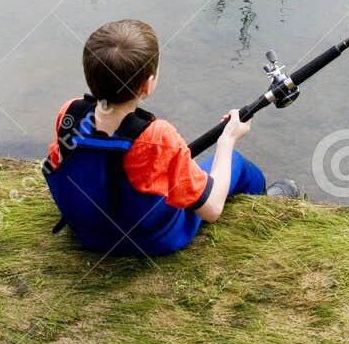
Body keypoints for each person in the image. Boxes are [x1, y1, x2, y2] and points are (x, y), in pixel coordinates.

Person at [43, 18, 296, 257]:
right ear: (148, 85)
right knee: (237, 164)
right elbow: (212, 210)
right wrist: (228, 140)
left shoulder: (70, 113)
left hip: (88, 233)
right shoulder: (156, 136)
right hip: (151, 239)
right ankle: (265, 205)